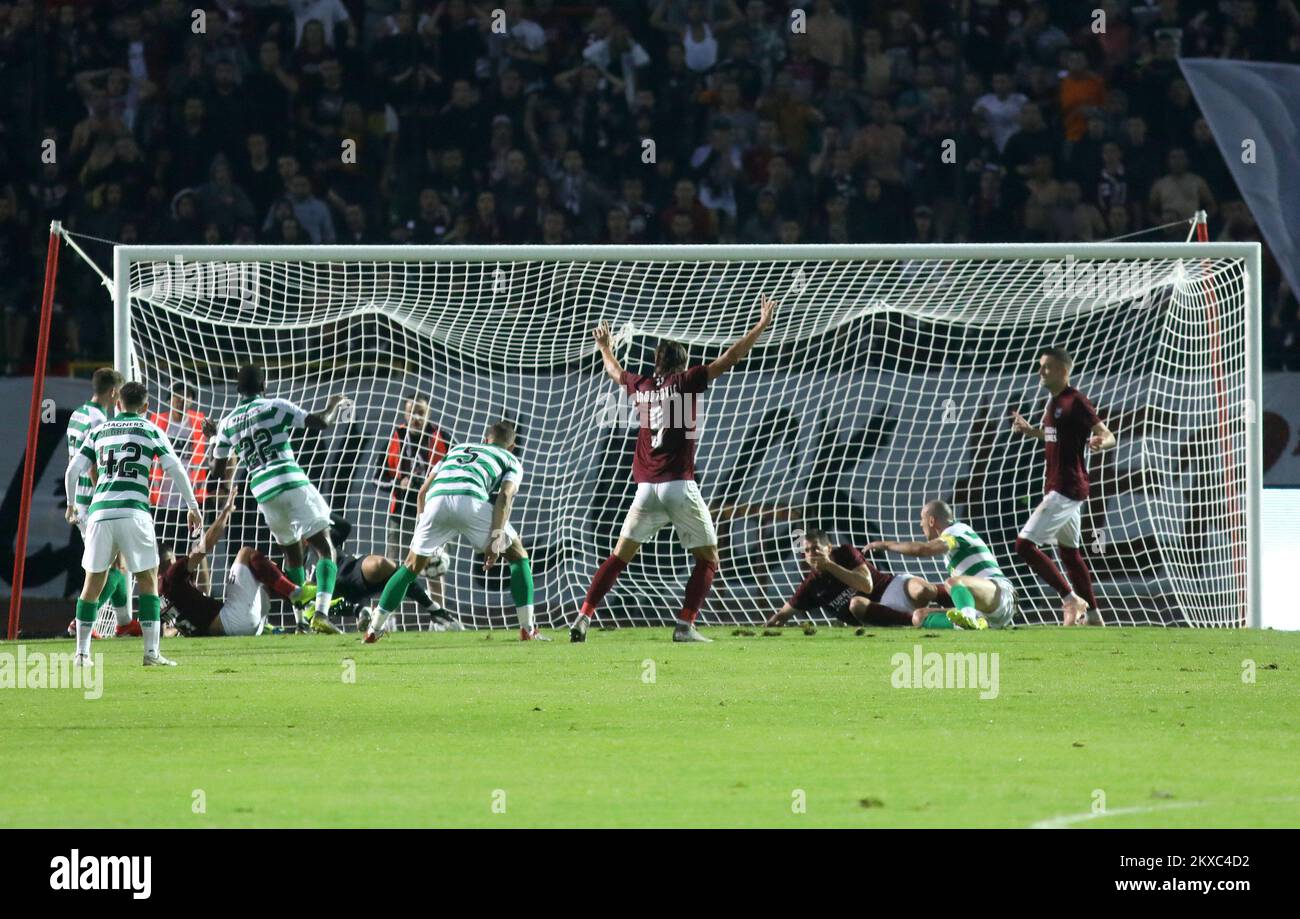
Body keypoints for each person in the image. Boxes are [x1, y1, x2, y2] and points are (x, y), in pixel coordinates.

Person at [570, 295, 776, 643]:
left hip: (645, 489)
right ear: (683, 364)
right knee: (709, 558)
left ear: (655, 362)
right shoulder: (688, 381)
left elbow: (614, 371)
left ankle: (582, 617)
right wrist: (759, 326)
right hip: (678, 485)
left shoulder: (643, 386)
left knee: (619, 558)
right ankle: (684, 625)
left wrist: (605, 346)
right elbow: (730, 357)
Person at [63, 381, 203, 666]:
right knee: (148, 581)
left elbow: (73, 470)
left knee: (92, 583)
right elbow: (174, 468)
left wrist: (70, 504)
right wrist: (192, 506)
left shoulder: (99, 430)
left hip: (100, 513)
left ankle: (81, 654)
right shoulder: (150, 429)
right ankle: (151, 653)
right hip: (134, 512)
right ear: (146, 407)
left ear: (118, 404)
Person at [209, 364, 352, 634]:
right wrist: (334, 403)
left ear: (238, 389)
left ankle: (300, 622)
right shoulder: (275, 406)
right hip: (290, 481)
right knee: (325, 548)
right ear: (264, 386)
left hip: (264, 493)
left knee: (293, 556)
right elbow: (320, 422)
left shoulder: (227, 423)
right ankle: (320, 612)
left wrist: (215, 438)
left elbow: (216, 472)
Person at [365, 420, 538, 642]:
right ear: (512, 447)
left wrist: (422, 526)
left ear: (485, 439)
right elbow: (504, 497)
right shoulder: (510, 459)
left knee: (409, 567)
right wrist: (496, 541)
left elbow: (422, 493)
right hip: (471, 499)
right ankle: (528, 629)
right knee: (519, 557)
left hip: (435, 502)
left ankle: (374, 628)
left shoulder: (458, 448)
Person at [1011, 346, 1115, 625]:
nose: (1040, 372)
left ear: (1062, 370)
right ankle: (1093, 615)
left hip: (1066, 488)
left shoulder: (1076, 402)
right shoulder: (1053, 404)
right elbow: (1052, 435)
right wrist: (1029, 431)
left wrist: (1100, 443)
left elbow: (1108, 435)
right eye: (1040, 366)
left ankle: (1070, 600)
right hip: (1062, 487)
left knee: (1023, 545)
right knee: (1069, 554)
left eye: (1045, 367)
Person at [159, 486, 318, 636]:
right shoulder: (172, 576)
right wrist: (225, 512)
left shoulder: (157, 598)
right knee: (246, 554)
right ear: (170, 561)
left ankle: (301, 618)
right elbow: (204, 547)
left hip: (230, 630)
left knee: (266, 572)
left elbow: (163, 631)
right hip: (233, 620)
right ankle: (296, 594)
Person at [867, 500, 1017, 631]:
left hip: (1000, 594)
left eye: (922, 519)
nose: (920, 524)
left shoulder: (957, 530)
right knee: (919, 616)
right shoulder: (951, 543)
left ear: (931, 521)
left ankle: (968, 619)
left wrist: (885, 545)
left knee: (953, 583)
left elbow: (924, 549)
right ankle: (973, 623)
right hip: (983, 610)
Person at [766, 528, 954, 628]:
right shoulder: (811, 586)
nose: (812, 554)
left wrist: (830, 566)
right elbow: (783, 614)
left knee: (922, 589)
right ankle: (917, 621)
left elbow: (866, 585)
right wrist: (772, 623)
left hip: (890, 587)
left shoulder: (845, 553)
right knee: (856, 604)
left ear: (829, 548)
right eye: (807, 551)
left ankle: (968, 605)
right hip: (878, 613)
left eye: (816, 548)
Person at [62, 367, 130, 636]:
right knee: (109, 566)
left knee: (114, 563)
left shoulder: (77, 414)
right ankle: (81, 623)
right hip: (94, 502)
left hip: (80, 500)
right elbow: (92, 465)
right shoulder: (99, 421)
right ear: (114, 392)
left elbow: (73, 460)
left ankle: (125, 624)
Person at [148, 381, 210, 591]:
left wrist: (225, 482)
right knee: (162, 558)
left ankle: (203, 604)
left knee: (198, 556)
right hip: (162, 505)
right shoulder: (157, 422)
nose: (182, 399)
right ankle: (164, 605)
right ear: (169, 399)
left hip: (191, 505)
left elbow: (226, 448)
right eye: (177, 394)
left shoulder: (200, 423)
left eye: (187, 395)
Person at [381, 396, 448, 561]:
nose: (416, 418)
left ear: (429, 413)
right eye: (411, 412)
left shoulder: (444, 439)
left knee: (435, 566)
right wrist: (399, 483)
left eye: (421, 412)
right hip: (402, 513)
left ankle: (432, 588)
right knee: (394, 563)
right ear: (405, 414)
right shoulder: (395, 438)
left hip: (434, 511)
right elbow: (377, 479)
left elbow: (458, 473)